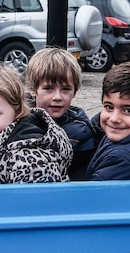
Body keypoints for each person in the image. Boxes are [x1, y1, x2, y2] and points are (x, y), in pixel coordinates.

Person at [25, 46, 95, 179]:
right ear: (33, 89)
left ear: (74, 92)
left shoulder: (80, 132)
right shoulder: (17, 122)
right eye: (48, 88)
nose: (57, 97)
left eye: (65, 89)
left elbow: (80, 178)